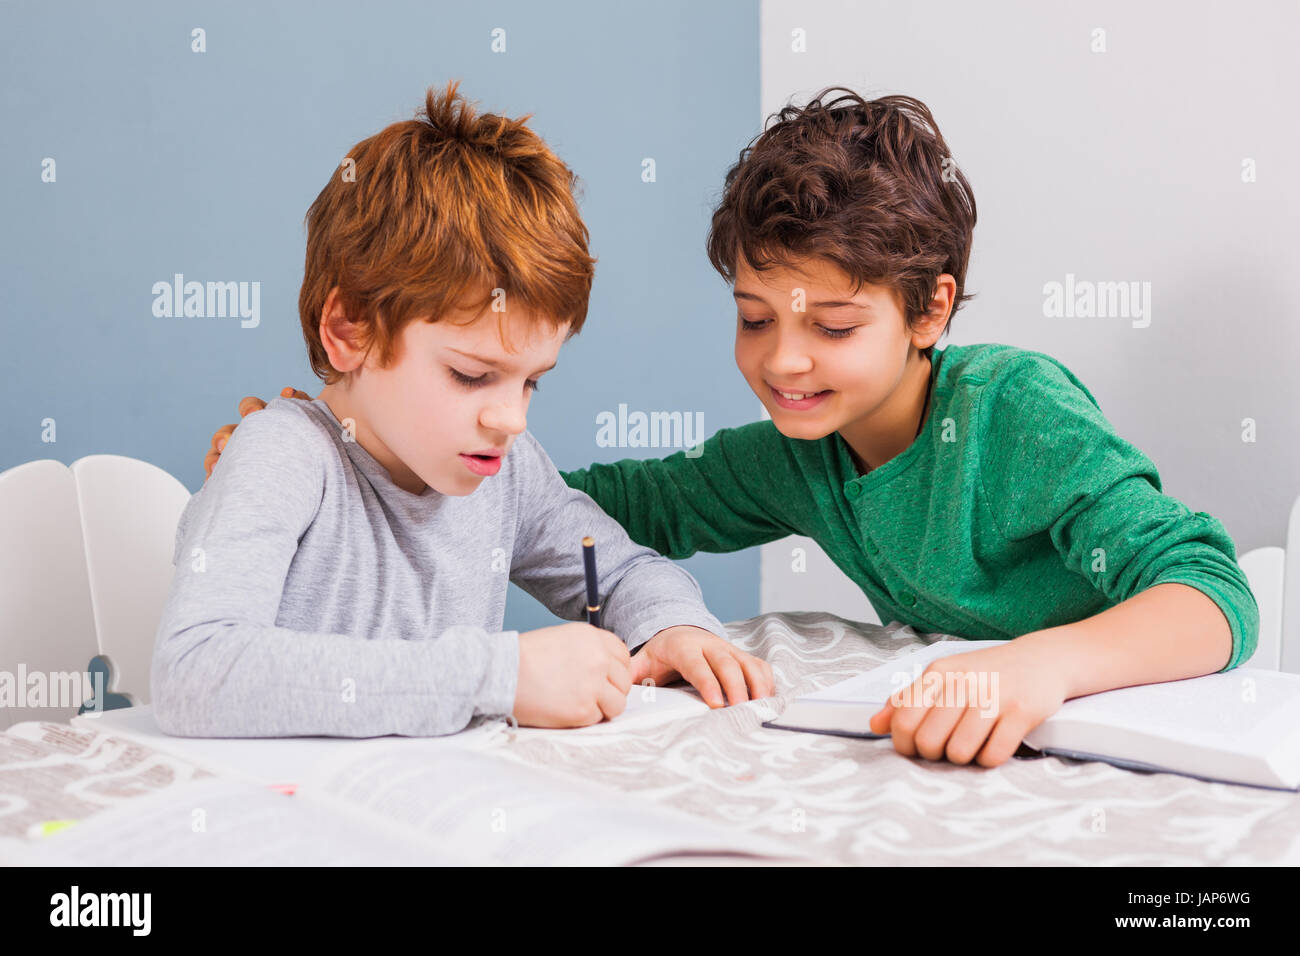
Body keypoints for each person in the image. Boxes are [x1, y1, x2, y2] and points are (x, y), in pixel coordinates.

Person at [206, 88, 1257, 768]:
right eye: (755, 318)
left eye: (834, 324)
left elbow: (1211, 592)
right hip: (976, 751)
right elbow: (592, 512)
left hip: (1127, 722)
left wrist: (1037, 665)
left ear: (929, 311)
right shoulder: (797, 455)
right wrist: (357, 451)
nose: (783, 359)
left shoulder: (1012, 413)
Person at [155, 81, 772, 739]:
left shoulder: (505, 472)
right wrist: (494, 677)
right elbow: (194, 672)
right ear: (349, 331)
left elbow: (618, 571)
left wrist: (672, 625)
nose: (511, 419)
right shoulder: (283, 456)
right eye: (472, 375)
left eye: (531, 381)